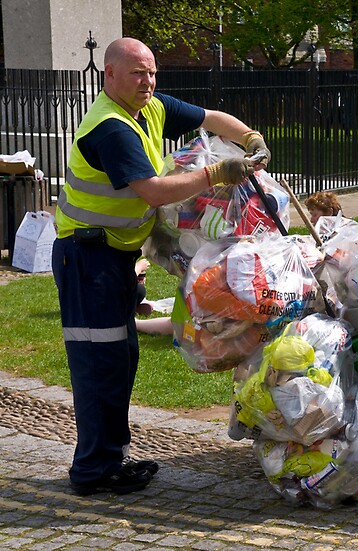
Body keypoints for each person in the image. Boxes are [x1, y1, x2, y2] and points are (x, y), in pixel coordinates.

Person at [52, 37, 269, 496]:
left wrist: (250, 137)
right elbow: (152, 190)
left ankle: (111, 459)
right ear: (110, 74)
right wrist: (218, 172)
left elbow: (210, 119)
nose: (148, 81)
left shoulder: (147, 106)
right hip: (88, 260)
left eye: (152, 72)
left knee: (120, 358)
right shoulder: (110, 127)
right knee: (100, 365)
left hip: (113, 257)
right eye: (137, 73)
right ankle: (94, 470)